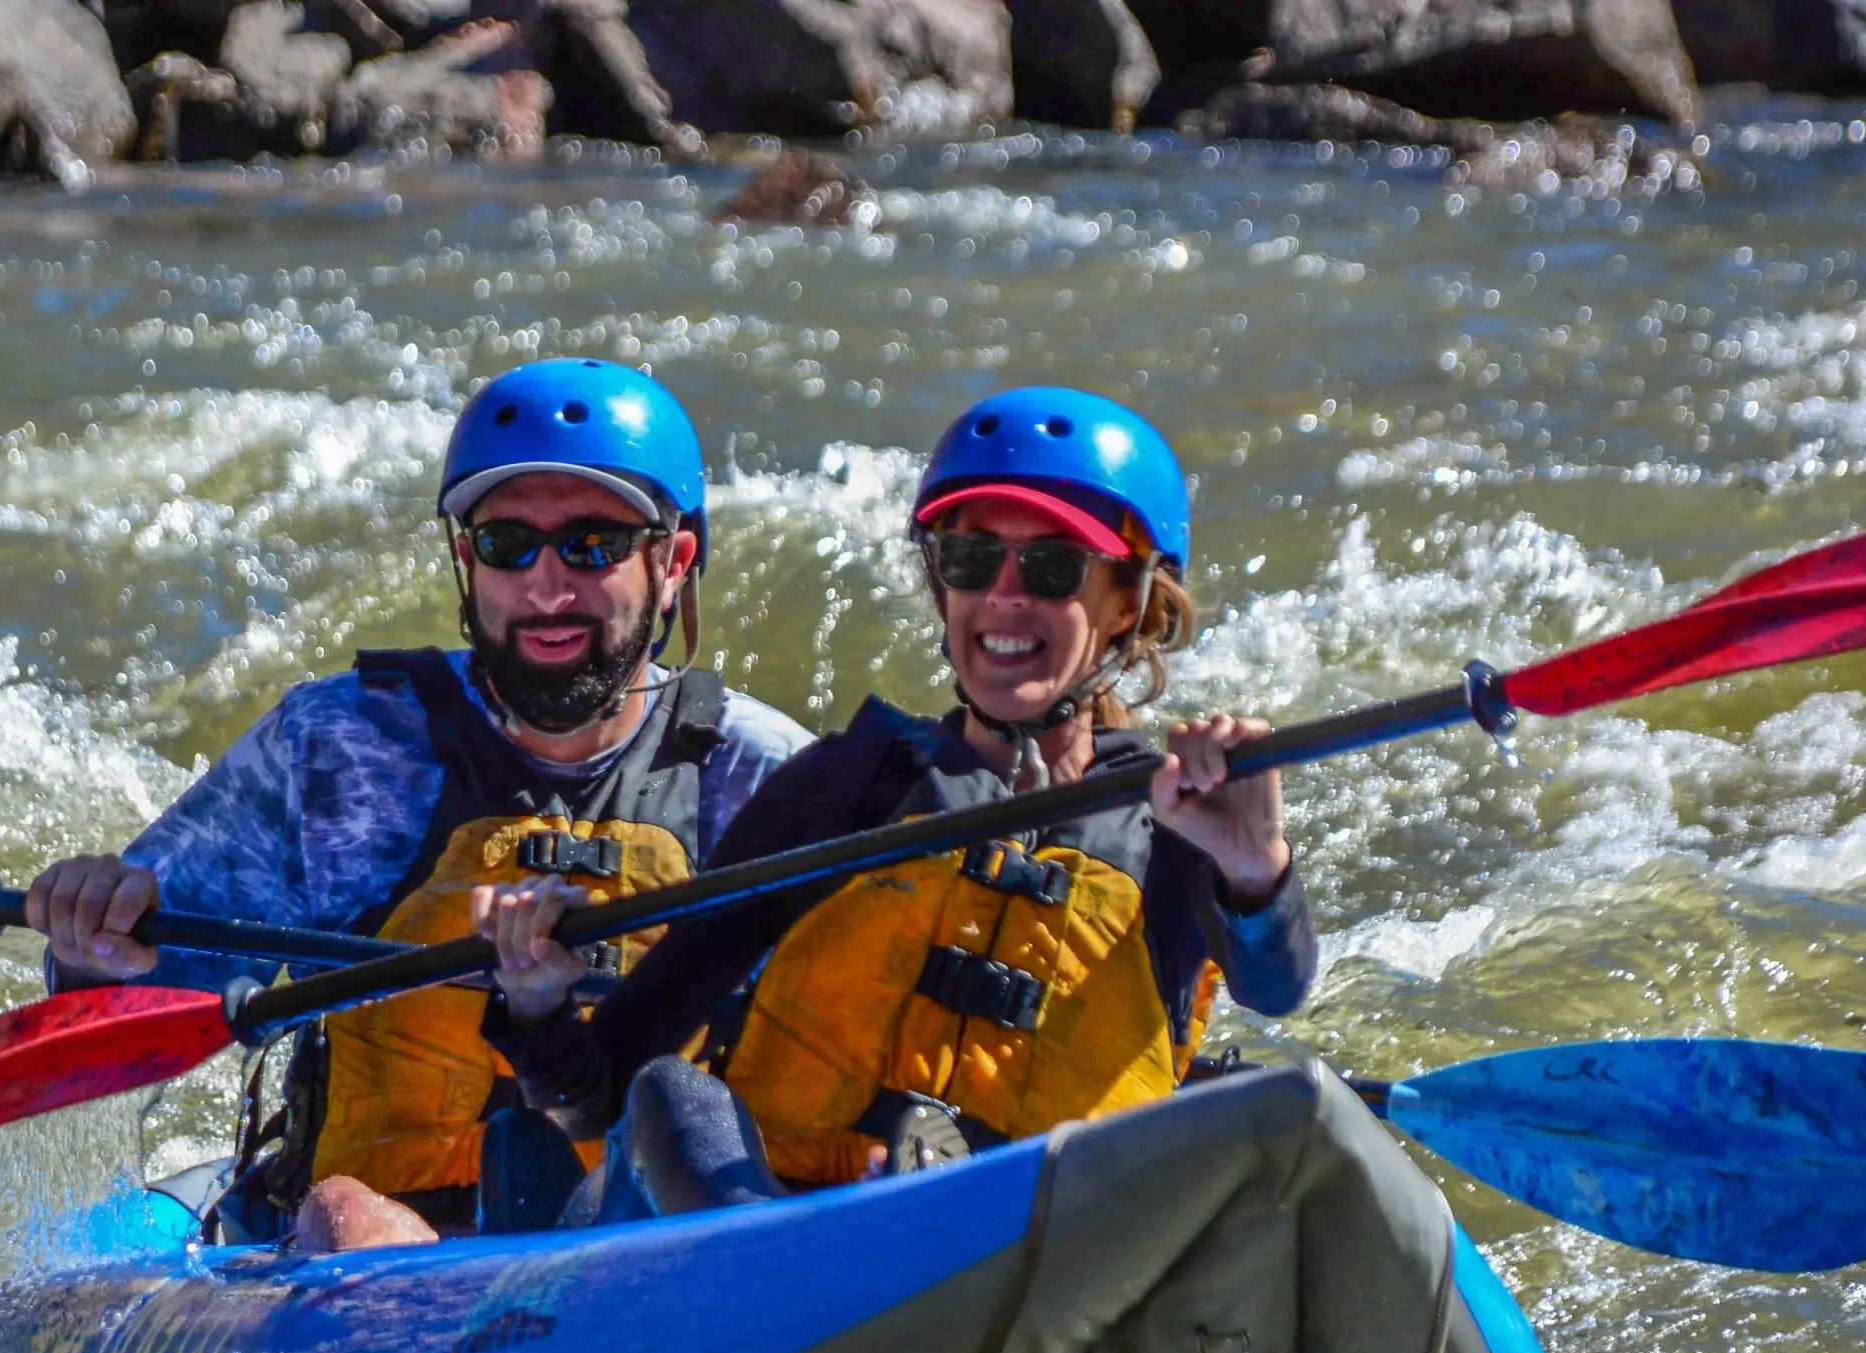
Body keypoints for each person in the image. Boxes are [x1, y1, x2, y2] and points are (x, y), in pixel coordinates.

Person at [470, 386, 1316, 1221]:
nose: (1005, 596)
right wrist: (536, 1008)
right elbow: (603, 1092)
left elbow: (1276, 987)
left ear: (1128, 602)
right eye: (971, 560)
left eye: (1054, 568)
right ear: (941, 584)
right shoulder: (845, 790)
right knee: (668, 1093)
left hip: (1025, 1263)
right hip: (776, 1239)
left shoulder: (1173, 824)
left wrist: (1255, 873)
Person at [25, 358, 812, 1248]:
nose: (547, 587)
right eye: (509, 544)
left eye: (593, 544)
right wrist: (93, 936)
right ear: (465, 557)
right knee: (343, 1214)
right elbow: (135, 1017)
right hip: (383, 1256)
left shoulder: (764, 776)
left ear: (673, 563)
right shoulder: (342, 751)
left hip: (643, 1242)